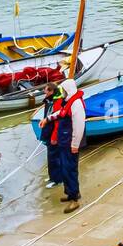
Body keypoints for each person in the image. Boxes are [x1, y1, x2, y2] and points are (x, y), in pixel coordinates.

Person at [43, 78, 86, 212]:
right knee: (65, 169)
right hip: (64, 141)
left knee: (70, 170)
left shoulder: (76, 104)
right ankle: (71, 193)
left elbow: (79, 126)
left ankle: (74, 200)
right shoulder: (68, 102)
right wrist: (47, 119)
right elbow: (60, 113)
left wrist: (75, 144)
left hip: (69, 143)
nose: (62, 93)